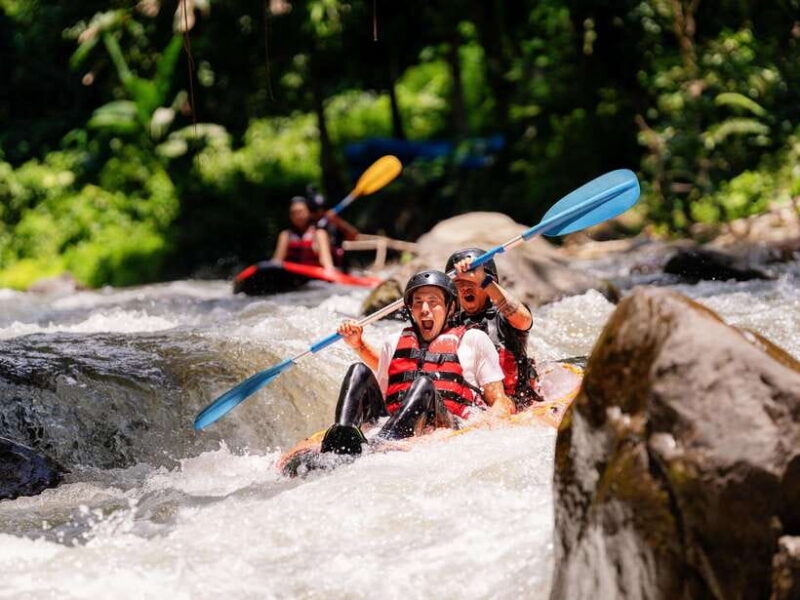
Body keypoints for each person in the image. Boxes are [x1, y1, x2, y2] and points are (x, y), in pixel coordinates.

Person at [319, 269, 515, 455]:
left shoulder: (474, 340)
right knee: (358, 370)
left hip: (447, 423)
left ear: (451, 307)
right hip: (390, 424)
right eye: (418, 302)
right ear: (410, 309)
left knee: (424, 384)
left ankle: (384, 442)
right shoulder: (393, 342)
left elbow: (499, 400)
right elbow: (386, 400)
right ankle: (343, 432)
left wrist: (487, 423)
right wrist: (358, 344)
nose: (425, 310)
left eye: (433, 302)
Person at [445, 248, 541, 410]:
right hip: (475, 406)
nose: (464, 289)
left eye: (471, 282)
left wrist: (483, 279)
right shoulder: (449, 323)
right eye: (458, 284)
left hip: (515, 403)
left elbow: (524, 320)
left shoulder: (504, 316)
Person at [271, 195, 336, 271]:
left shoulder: (319, 234)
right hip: (291, 277)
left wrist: (331, 272)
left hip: (314, 278)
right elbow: (277, 261)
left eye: (300, 212)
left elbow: (326, 262)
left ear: (309, 213)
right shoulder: (285, 235)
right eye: (293, 213)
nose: (297, 216)